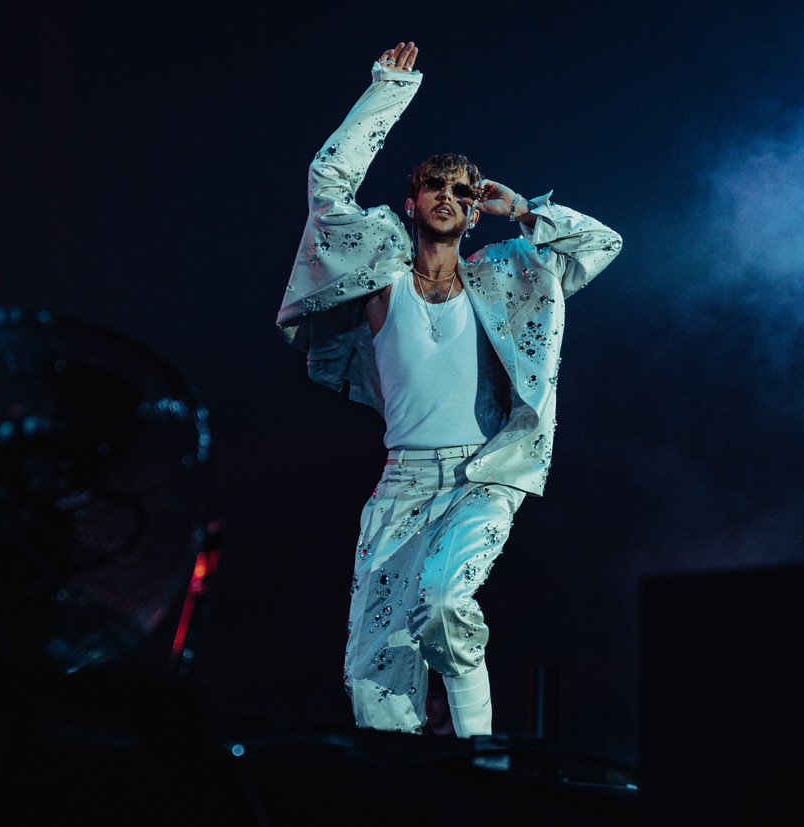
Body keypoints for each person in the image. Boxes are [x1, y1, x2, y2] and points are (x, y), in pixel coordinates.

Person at [276, 42, 621, 738]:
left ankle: (481, 760)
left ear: (474, 211)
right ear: (411, 202)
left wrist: (521, 208)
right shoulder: (378, 274)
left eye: (463, 189)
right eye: (434, 183)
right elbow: (327, 183)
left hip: (480, 476)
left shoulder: (511, 274)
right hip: (401, 481)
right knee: (374, 666)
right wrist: (389, 88)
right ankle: (401, 782)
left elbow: (601, 244)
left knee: (440, 602)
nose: (448, 194)